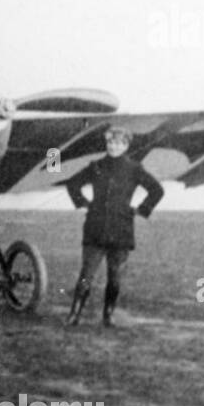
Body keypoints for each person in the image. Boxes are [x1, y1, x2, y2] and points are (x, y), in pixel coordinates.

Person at [63, 125, 164, 327]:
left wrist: (141, 210)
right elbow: (72, 184)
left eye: (118, 143)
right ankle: (74, 315)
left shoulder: (135, 169)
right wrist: (83, 204)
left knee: (115, 277)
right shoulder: (96, 166)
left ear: (126, 145)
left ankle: (108, 316)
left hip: (121, 230)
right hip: (95, 228)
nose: (113, 146)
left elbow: (156, 190)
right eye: (110, 142)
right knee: (86, 275)